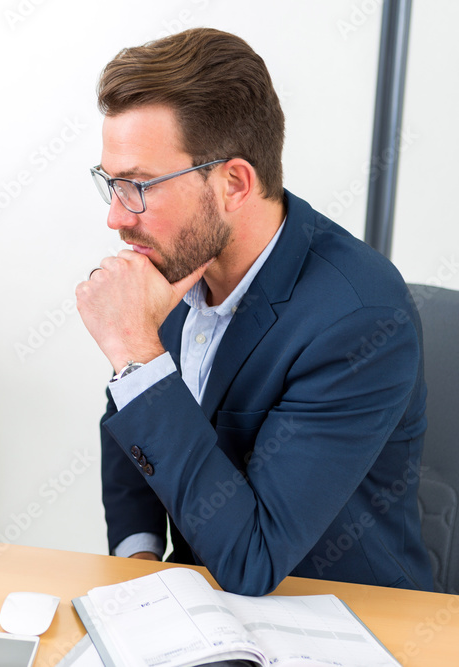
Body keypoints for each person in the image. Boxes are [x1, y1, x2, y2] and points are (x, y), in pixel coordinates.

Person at [76, 28, 433, 596]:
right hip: (203, 607)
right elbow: (135, 426)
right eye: (111, 183)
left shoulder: (360, 320)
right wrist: (139, 562)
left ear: (234, 183)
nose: (117, 218)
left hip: (340, 621)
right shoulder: (177, 261)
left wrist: (136, 351)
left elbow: (254, 560)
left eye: (139, 186)